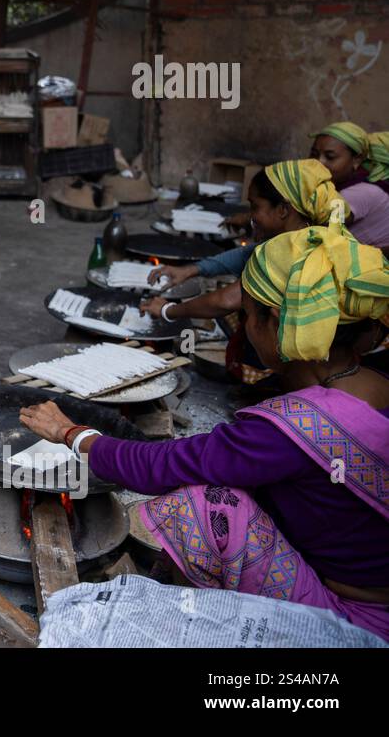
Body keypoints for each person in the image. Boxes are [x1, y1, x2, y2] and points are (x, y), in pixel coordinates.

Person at [22, 225, 389, 641]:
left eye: (248, 315)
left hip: (356, 620)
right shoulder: (374, 385)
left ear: (279, 324)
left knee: (201, 506)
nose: (243, 327)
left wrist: (71, 432)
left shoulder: (297, 427)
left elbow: (160, 467)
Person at [141, 159, 347, 324]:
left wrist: (168, 309)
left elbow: (226, 301)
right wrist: (191, 270)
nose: (250, 217)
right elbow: (248, 253)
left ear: (283, 210)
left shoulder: (291, 254)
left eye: (255, 207)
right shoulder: (313, 235)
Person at [310, 121, 389, 250]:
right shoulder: (357, 184)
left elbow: (316, 230)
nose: (319, 162)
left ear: (356, 160)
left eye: (330, 157)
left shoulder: (358, 193)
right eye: (314, 154)